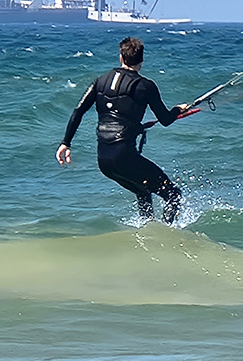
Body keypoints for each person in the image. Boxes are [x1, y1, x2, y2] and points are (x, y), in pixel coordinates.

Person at [56, 37, 187, 224]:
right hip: (125, 156)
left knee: (143, 192)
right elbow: (165, 120)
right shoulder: (145, 86)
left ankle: (146, 230)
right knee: (173, 194)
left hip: (104, 161)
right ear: (141, 60)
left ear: (121, 57)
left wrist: (65, 143)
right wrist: (178, 110)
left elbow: (78, 111)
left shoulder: (100, 82)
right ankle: (166, 234)